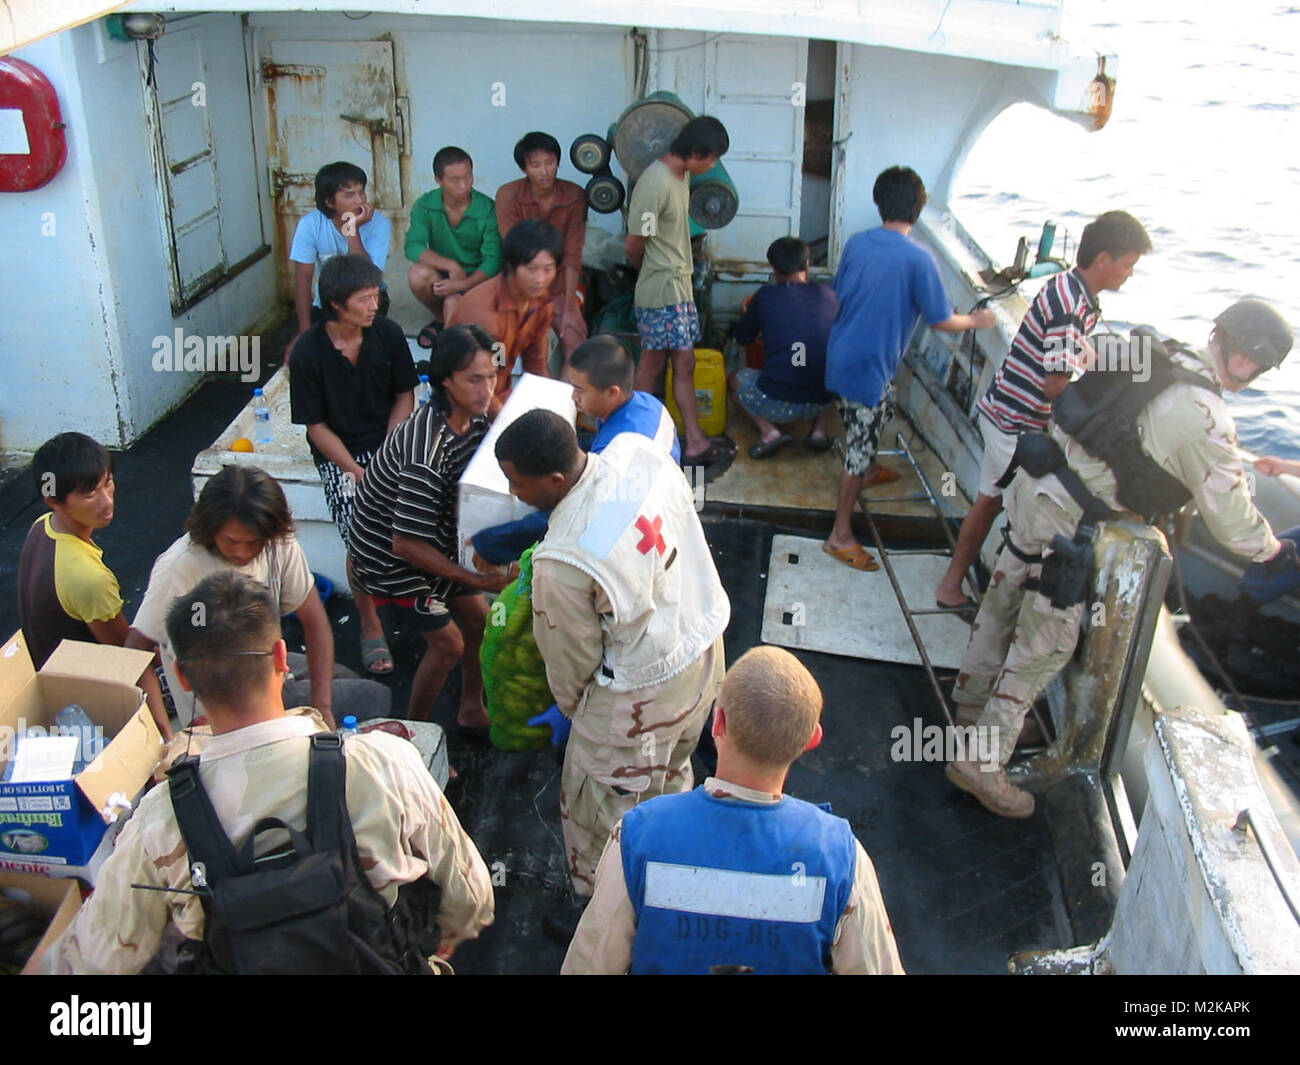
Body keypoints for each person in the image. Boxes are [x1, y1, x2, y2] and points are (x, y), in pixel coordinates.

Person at [42, 572, 494, 974]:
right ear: (281, 656)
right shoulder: (382, 763)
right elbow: (471, 894)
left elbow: (91, 960)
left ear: (181, 676)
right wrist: (446, 937)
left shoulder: (160, 820)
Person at [946, 299, 1296, 818]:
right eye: (1258, 364)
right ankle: (981, 762)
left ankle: (968, 713)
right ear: (1246, 360)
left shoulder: (1146, 351)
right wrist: (1274, 551)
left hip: (1033, 486)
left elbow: (1076, 375)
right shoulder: (1207, 417)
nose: (1254, 372)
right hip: (1071, 526)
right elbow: (1231, 519)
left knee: (1000, 600)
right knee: (1044, 644)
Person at [494, 410, 729, 930]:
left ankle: (604, 920)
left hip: (641, 694)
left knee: (600, 814)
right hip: (702, 650)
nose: (514, 493)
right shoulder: (635, 453)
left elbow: (572, 662)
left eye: (517, 481)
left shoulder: (564, 560)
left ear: (554, 480)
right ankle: (668, 880)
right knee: (670, 777)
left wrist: (577, 718)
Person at [562, 645, 903, 974]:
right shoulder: (841, 858)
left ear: (718, 723)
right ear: (812, 739)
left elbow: (591, 964)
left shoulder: (638, 837)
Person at [934, 211, 1152, 612]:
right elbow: (1056, 383)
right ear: (1103, 259)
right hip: (1014, 422)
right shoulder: (1071, 307)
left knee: (992, 503)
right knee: (1000, 510)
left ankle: (966, 587)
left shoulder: (1069, 287)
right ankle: (956, 589)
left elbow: (1070, 352)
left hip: (1006, 409)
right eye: (1128, 265)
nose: (1129, 274)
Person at [822, 166, 997, 572]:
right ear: (918, 210)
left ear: (879, 202)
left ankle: (865, 471)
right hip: (868, 369)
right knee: (858, 446)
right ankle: (840, 535)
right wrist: (978, 321)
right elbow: (941, 321)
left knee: (879, 406)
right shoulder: (920, 259)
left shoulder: (857, 244)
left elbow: (840, 292)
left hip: (842, 356)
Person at [126, 465, 381, 732]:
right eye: (232, 541)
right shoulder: (179, 569)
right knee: (373, 697)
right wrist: (164, 733)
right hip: (221, 716)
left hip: (268, 678)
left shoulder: (279, 544)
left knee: (345, 679)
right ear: (209, 528)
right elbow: (133, 652)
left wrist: (322, 707)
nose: (242, 552)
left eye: (253, 543)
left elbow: (315, 623)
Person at [347, 325, 515, 727]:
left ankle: (471, 708)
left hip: (435, 538)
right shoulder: (427, 449)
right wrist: (475, 580)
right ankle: (414, 733)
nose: (486, 389)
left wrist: (494, 408)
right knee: (448, 646)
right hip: (390, 559)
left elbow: (507, 425)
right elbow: (406, 545)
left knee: (480, 621)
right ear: (443, 380)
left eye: (492, 376)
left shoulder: (474, 417)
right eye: (474, 379)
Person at [289, 253, 418, 674]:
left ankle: (419, 596)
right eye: (364, 299)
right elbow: (315, 426)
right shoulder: (308, 352)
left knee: (419, 519)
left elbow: (404, 395)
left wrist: (391, 448)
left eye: (375, 295)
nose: (374, 304)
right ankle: (368, 624)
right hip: (341, 455)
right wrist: (356, 470)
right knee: (359, 537)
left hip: (390, 442)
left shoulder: (388, 334)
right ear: (336, 304)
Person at [469, 335, 680, 567]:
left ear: (612, 392)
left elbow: (577, 511)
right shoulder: (648, 404)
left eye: (580, 390)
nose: (573, 397)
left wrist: (491, 544)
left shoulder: (617, 457)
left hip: (636, 531)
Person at [17, 432, 172, 740]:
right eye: (89, 494)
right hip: (89, 702)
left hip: (49, 672)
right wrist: (166, 735)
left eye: (108, 483)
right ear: (53, 500)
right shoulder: (87, 578)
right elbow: (130, 659)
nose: (107, 501)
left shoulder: (42, 527)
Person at [625, 115, 732, 467]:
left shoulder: (681, 175)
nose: (713, 165)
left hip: (679, 287)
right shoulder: (654, 183)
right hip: (660, 289)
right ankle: (631, 440)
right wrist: (650, 274)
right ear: (695, 151)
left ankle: (696, 442)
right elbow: (635, 243)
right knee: (652, 365)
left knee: (683, 363)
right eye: (712, 157)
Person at [728, 236, 838, 460]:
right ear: (807, 266)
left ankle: (769, 432)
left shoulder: (766, 296)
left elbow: (743, 337)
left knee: (734, 379)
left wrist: (751, 318)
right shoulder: (830, 294)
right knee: (825, 364)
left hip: (775, 403)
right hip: (823, 400)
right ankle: (818, 431)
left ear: (774, 270)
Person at [446, 218, 561, 417]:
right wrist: (505, 421)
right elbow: (480, 385)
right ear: (511, 265)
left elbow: (536, 364)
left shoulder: (542, 304)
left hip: (501, 392)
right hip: (463, 403)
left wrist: (550, 407)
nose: (540, 279)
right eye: (531, 269)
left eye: (548, 269)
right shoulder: (485, 313)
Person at [494, 131, 589, 363]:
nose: (544, 171)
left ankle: (570, 399)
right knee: (507, 346)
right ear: (524, 168)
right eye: (535, 165)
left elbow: (573, 252)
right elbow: (515, 250)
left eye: (550, 162)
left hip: (561, 283)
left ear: (558, 162)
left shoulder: (575, 195)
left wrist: (568, 307)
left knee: (577, 344)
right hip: (519, 283)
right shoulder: (508, 194)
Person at [285, 161, 392, 363]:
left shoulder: (379, 224)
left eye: (362, 192)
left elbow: (369, 278)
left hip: (369, 300)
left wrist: (352, 229)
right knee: (315, 355)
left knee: (365, 354)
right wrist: (305, 334)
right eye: (349, 195)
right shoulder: (310, 225)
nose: (360, 200)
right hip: (328, 303)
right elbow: (303, 280)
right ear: (329, 201)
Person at [406, 146, 501, 345]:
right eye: (455, 180)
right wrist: (451, 266)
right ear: (438, 180)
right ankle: (440, 318)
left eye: (468, 177)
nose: (464, 186)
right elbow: (413, 246)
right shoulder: (425, 205)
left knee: (453, 303)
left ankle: (451, 334)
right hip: (446, 276)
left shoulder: (487, 209)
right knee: (417, 274)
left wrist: (463, 284)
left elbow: (493, 261)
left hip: (479, 280)